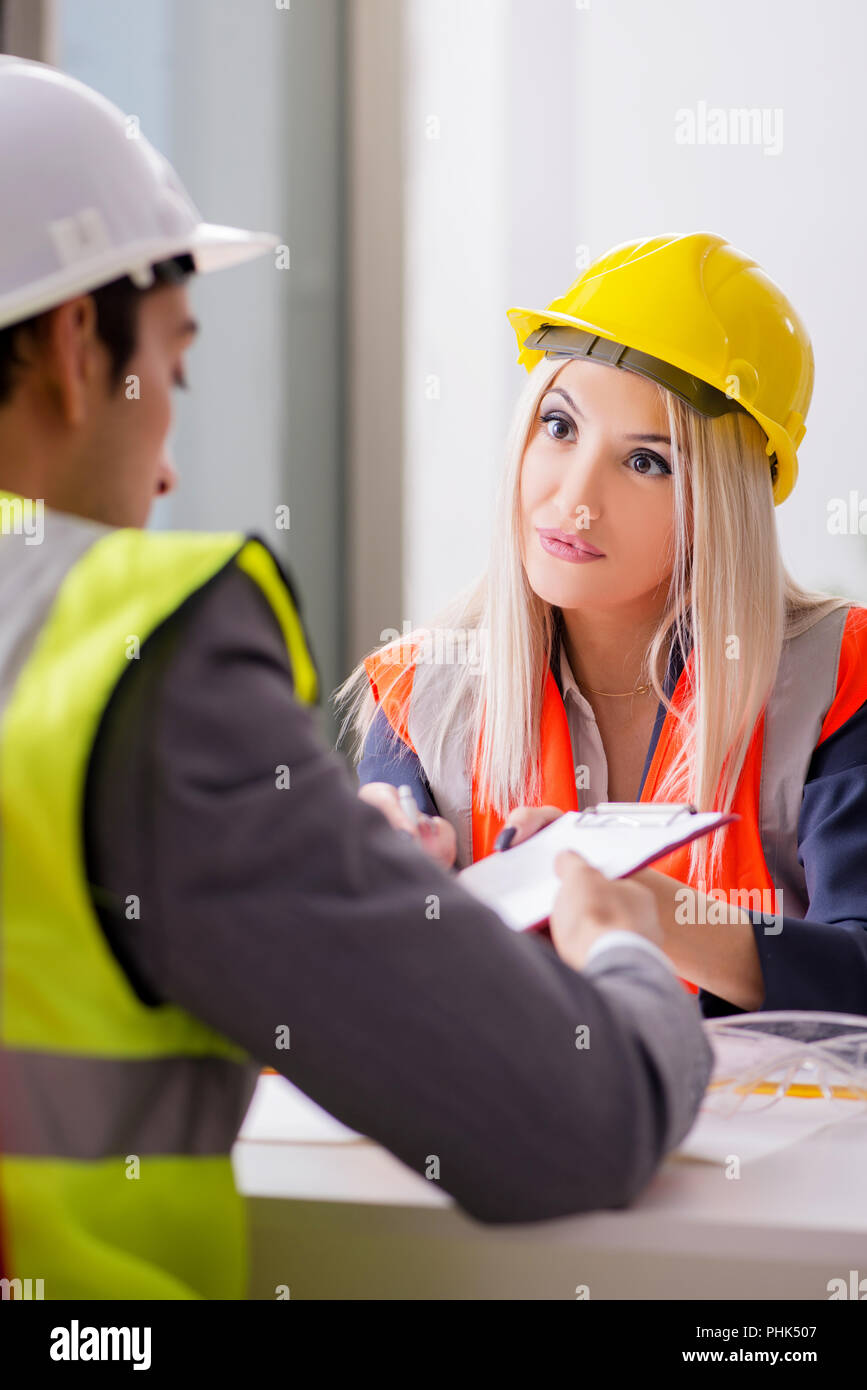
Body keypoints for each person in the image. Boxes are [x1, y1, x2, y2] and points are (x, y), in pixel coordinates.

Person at [0, 58, 712, 1301]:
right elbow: (572, 1116)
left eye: (644, 459)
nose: (168, 469)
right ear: (76, 349)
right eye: (174, 370)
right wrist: (626, 954)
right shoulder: (115, 646)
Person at [341, 233, 867, 1019]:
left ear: (719, 506)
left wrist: (658, 917)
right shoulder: (422, 694)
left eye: (646, 461)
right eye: (559, 427)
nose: (575, 498)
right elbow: (366, 1013)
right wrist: (359, 899)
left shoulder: (837, 677)